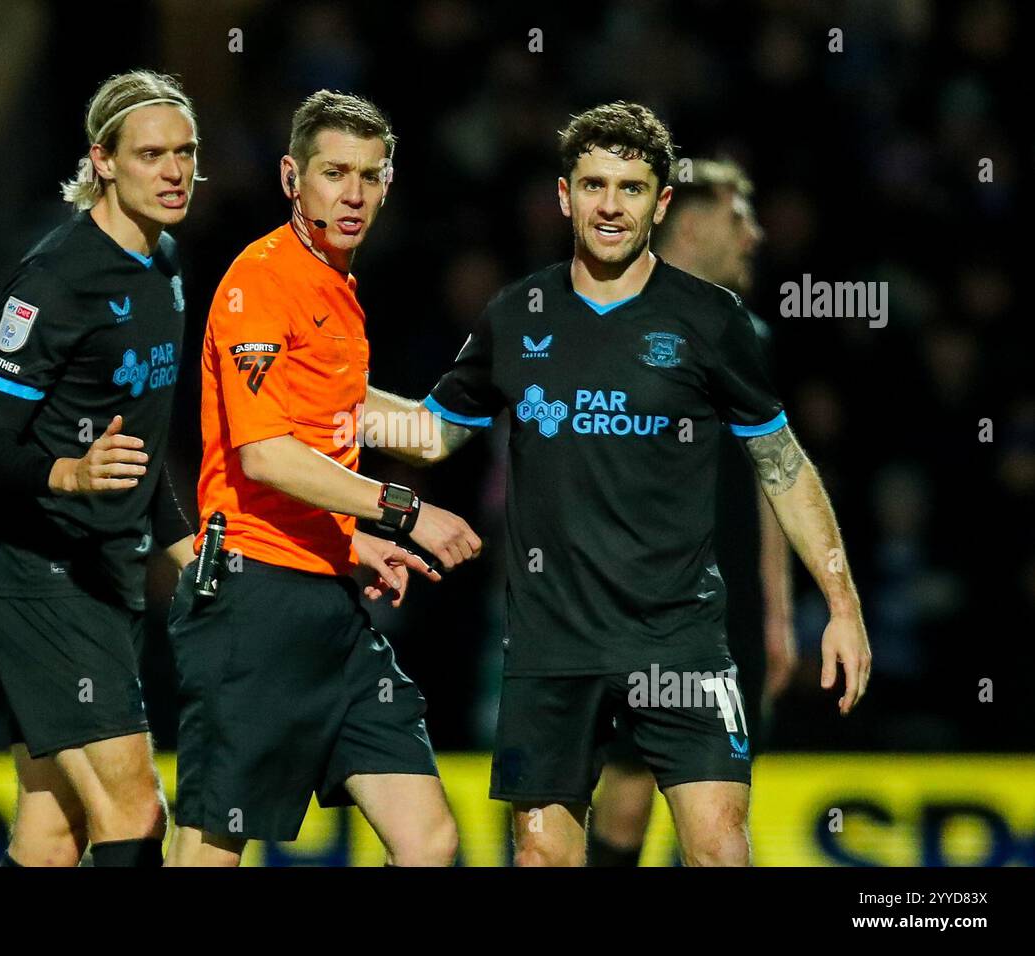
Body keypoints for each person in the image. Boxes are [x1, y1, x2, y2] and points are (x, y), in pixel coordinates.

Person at [366, 102, 871, 866]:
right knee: (545, 859)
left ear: (661, 203)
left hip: (683, 642)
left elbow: (785, 466)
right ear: (564, 195)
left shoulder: (711, 320)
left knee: (719, 851)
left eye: (631, 188)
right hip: (551, 646)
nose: (610, 205)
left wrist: (841, 604)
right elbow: (431, 432)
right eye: (594, 185)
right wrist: (324, 386)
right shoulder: (517, 313)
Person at [164, 90, 480, 867]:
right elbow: (265, 453)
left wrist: (513, 370)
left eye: (371, 176)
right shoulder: (263, 280)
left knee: (430, 838)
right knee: (210, 849)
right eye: (334, 173)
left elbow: (384, 425)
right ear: (290, 178)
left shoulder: (334, 289)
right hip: (254, 600)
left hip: (330, 608)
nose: (354, 194)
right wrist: (401, 513)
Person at [0, 70, 200, 867]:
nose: (174, 172)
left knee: (53, 829)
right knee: (134, 811)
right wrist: (68, 473)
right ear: (101, 160)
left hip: (110, 582)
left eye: (186, 152)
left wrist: (189, 556)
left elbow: (138, 460)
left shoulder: (167, 265)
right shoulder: (53, 280)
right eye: (150, 154)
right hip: (42, 579)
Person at [588, 158, 797, 866]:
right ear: (695, 222)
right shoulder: (612, 324)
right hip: (638, 601)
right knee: (628, 784)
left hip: (729, 607)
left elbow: (773, 479)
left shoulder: (750, 338)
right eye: (741, 217)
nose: (755, 235)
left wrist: (775, 609)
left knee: (717, 801)